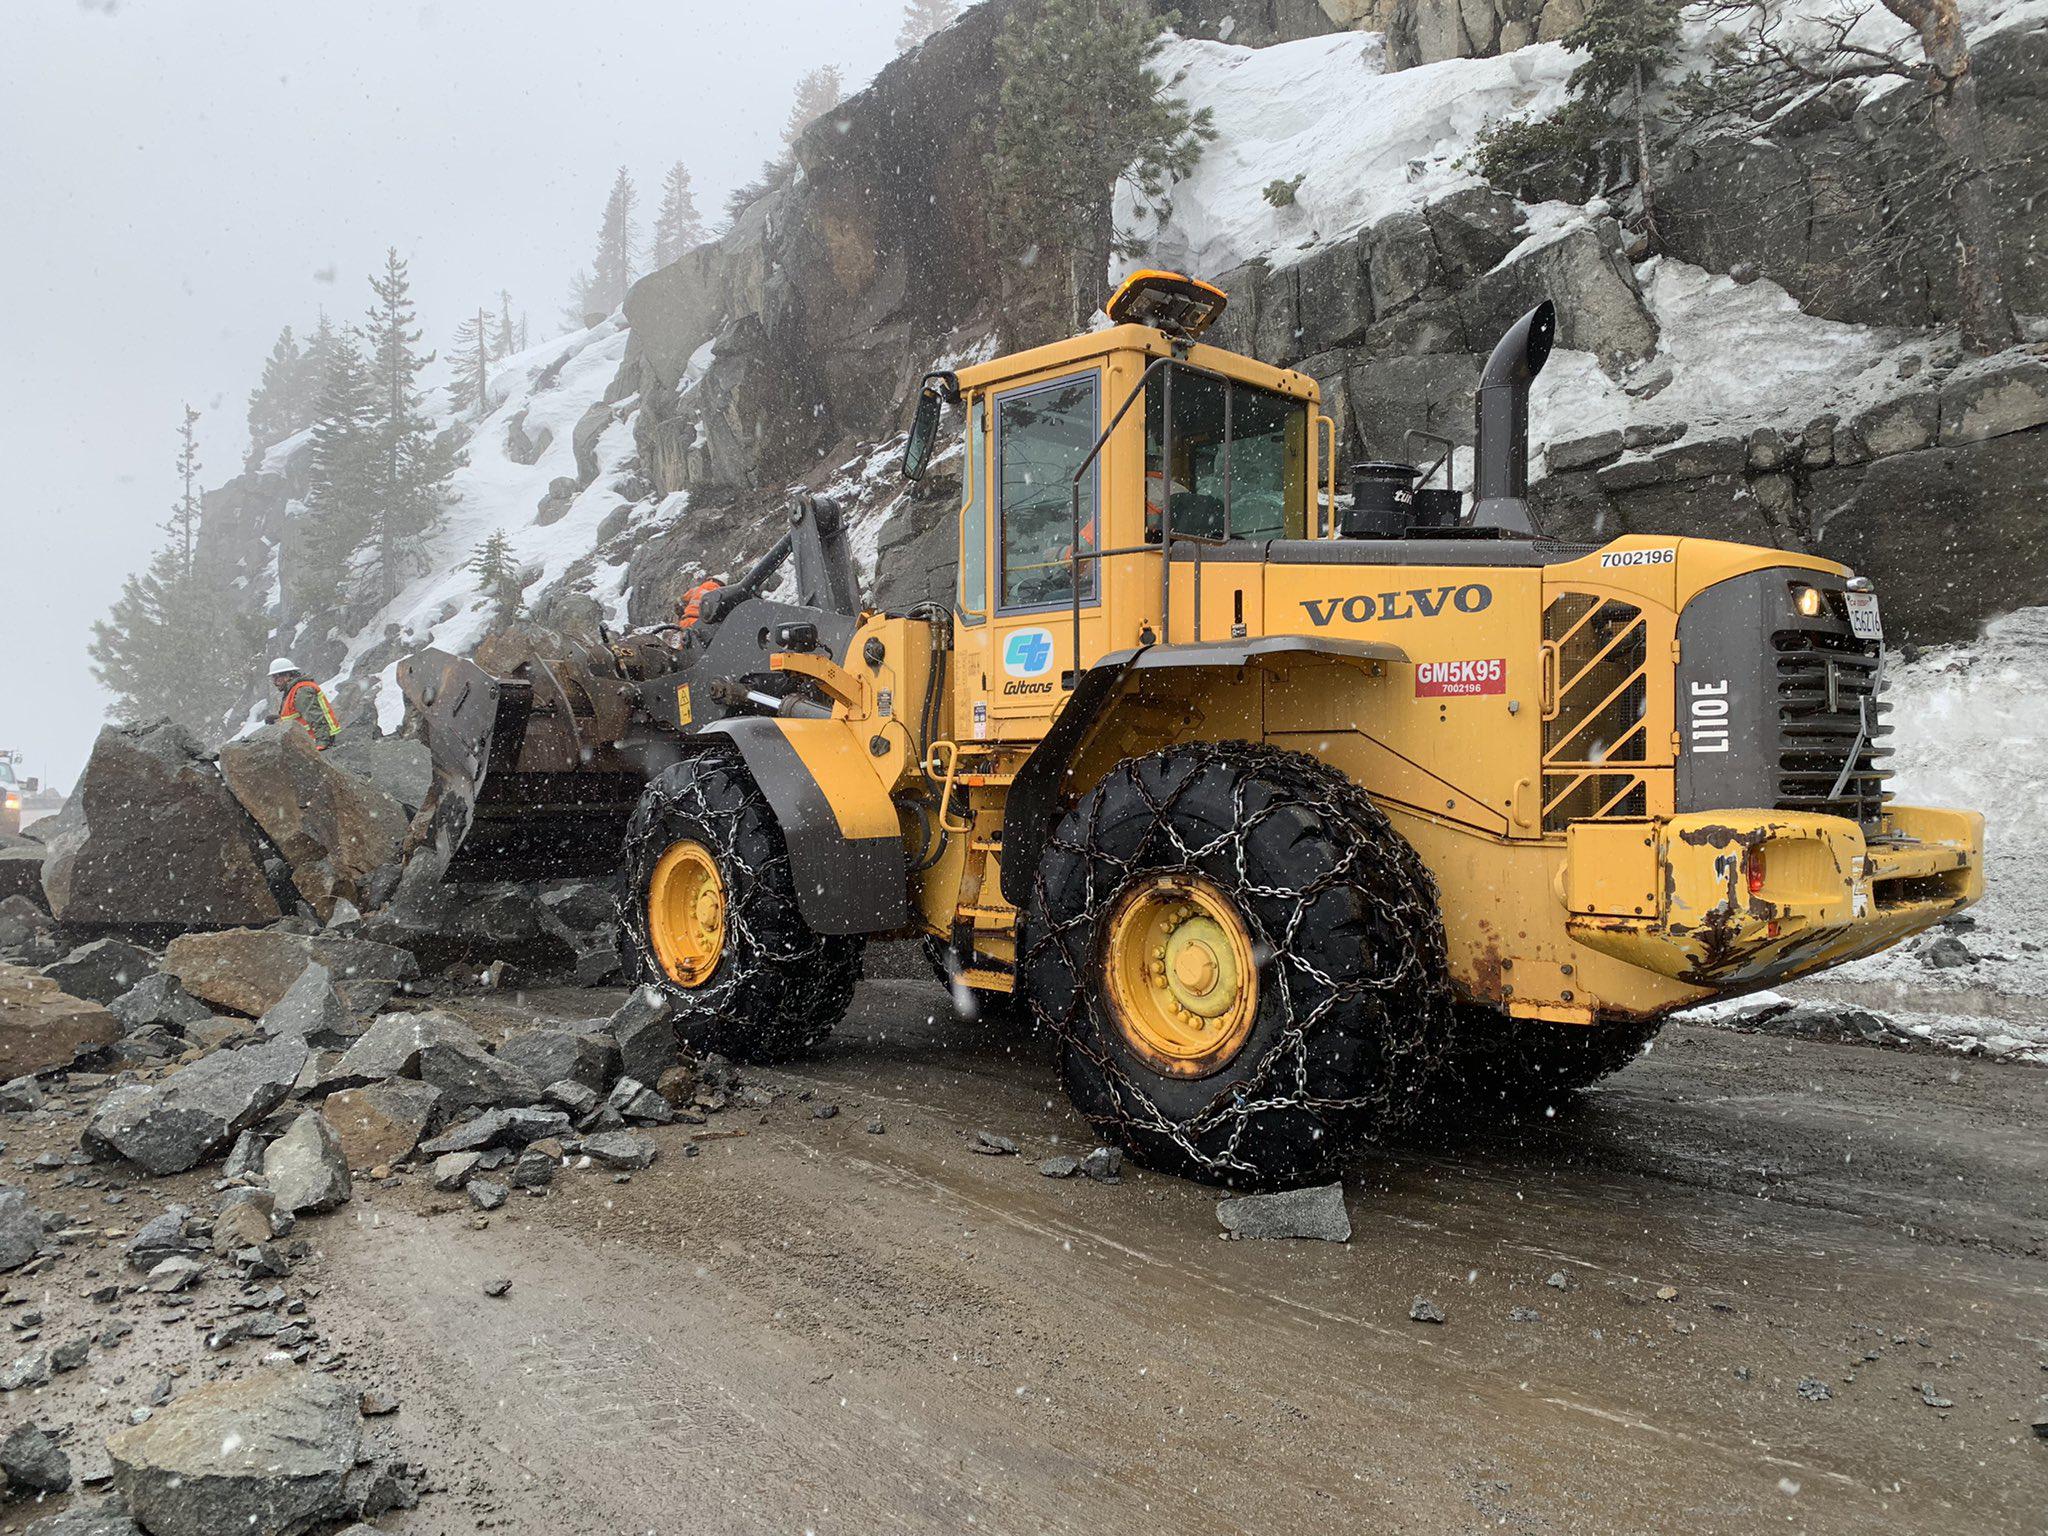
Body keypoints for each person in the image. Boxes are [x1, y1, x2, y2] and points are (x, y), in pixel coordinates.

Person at [268, 659, 340, 750]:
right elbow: (296, 716)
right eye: (273, 678)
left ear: (288, 675)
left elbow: (315, 717)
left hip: (313, 739)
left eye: (277, 677)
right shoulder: (293, 689)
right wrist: (279, 720)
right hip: (305, 739)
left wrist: (322, 742)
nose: (275, 682)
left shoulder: (302, 690)